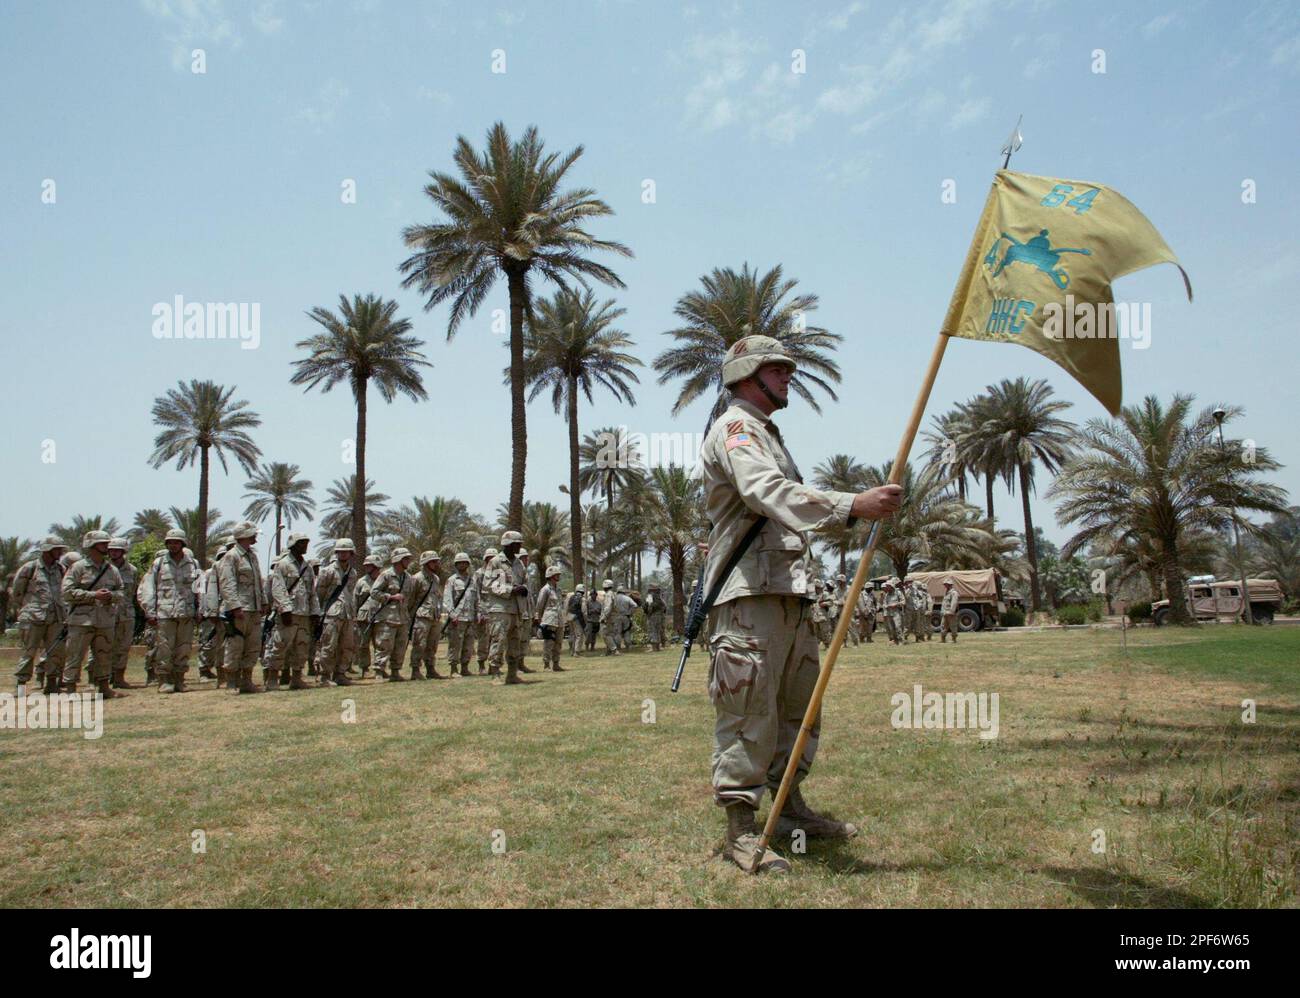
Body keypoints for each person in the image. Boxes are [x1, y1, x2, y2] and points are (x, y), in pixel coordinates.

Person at [698, 334, 902, 873]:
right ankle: (741, 833)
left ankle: (788, 811)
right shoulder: (737, 430)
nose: (789, 375)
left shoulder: (768, 434)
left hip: (787, 593)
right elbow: (764, 490)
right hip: (749, 597)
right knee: (748, 713)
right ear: (746, 374)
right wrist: (850, 504)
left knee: (798, 711)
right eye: (778, 368)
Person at [61, 530, 125, 698]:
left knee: (104, 655)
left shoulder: (112, 570)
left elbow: (122, 593)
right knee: (75, 655)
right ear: (92, 546)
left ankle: (104, 688)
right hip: (82, 621)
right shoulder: (78, 568)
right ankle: (70, 690)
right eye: (102, 543)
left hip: (105, 620)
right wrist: (93, 595)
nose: (106, 546)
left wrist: (111, 596)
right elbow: (67, 592)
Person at [139, 528, 201, 693]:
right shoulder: (159, 563)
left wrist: (200, 609)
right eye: (170, 542)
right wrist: (150, 611)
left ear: (182, 543)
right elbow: (149, 588)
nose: (173, 545)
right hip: (164, 613)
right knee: (165, 648)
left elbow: (199, 588)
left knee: (184, 647)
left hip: (186, 612)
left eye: (176, 542)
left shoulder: (193, 563)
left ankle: (180, 679)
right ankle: (164, 680)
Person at [10, 536, 68, 695]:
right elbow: (17, 593)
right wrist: (29, 608)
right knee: (28, 652)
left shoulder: (61, 569)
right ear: (47, 550)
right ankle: (20, 686)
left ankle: (51, 684)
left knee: (55, 652)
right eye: (57, 549)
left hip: (56, 618)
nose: (60, 552)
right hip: (33, 618)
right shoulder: (30, 568)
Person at [482, 532, 527, 684]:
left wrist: (524, 589)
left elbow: (524, 581)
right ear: (508, 544)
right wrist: (510, 590)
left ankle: (512, 674)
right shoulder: (495, 562)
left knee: (515, 642)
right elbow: (488, 584)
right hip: (500, 609)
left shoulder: (519, 564)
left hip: (516, 609)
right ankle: (495, 674)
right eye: (517, 543)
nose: (520, 546)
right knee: (499, 640)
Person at [365, 548, 414, 683]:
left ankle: (395, 671)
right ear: (398, 560)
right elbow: (374, 592)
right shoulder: (386, 575)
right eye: (406, 559)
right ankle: (379, 671)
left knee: (400, 646)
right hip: (387, 617)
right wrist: (390, 597)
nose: (408, 561)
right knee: (384, 645)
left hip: (402, 618)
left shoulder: (409, 577)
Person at [313, 539, 357, 687]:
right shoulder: (327, 571)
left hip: (348, 614)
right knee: (329, 645)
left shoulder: (353, 573)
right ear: (336, 553)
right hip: (331, 614)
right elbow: (319, 594)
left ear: (351, 553)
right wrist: (319, 613)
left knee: (347, 646)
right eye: (341, 551)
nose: (343, 554)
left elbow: (350, 593)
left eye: (346, 551)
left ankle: (340, 674)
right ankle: (324, 676)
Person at [105, 537, 140, 690]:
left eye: (117, 550)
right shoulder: (103, 568)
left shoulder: (132, 570)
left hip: (126, 614)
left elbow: (135, 592)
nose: (113, 553)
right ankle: (101, 679)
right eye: (111, 550)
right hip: (106, 613)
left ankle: (119, 678)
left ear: (123, 551)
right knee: (103, 647)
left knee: (123, 647)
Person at [408, 551, 444, 679]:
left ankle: (430, 669)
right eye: (433, 561)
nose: (436, 564)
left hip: (434, 616)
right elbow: (410, 599)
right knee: (419, 644)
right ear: (425, 563)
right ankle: (415, 670)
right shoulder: (416, 578)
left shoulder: (436, 578)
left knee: (432, 644)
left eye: (436, 561)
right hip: (421, 616)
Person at [442, 552, 477, 677]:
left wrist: (478, 614)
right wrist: (452, 615)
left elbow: (476, 599)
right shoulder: (452, 580)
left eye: (465, 562)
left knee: (468, 644)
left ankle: (465, 668)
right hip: (458, 618)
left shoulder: (472, 580)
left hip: (470, 617)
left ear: (468, 564)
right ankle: (453, 669)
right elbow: (447, 599)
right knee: (455, 645)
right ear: (456, 565)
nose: (462, 565)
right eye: (460, 563)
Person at [353, 554, 382, 677]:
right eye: (366, 565)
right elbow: (355, 600)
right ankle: (364, 668)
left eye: (369, 565)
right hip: (364, 617)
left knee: (380, 644)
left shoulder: (383, 579)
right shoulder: (361, 581)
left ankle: (379, 668)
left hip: (380, 616)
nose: (367, 568)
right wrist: (354, 617)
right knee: (363, 644)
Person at [534, 565, 566, 672]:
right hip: (549, 620)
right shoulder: (545, 590)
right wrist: (539, 620)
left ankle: (556, 664)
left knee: (558, 643)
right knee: (549, 643)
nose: (558, 576)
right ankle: (546, 665)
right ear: (551, 576)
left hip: (559, 620)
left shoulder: (558, 590)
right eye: (556, 574)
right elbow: (539, 606)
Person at [472, 549, 496, 674]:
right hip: (483, 611)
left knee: (495, 639)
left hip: (496, 611)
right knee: (483, 639)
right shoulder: (479, 574)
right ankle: (481, 664)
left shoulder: (498, 574)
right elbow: (476, 594)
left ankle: (493, 665)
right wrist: (479, 612)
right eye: (489, 558)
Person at [643, 583, 667, 651]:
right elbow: (664, 607)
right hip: (659, 616)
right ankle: (658, 647)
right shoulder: (659, 597)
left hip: (653, 615)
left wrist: (648, 613)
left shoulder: (650, 596)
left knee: (652, 630)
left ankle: (654, 648)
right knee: (657, 631)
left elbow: (649, 606)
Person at [566, 583, 586, 655]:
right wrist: (585, 620)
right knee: (579, 634)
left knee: (572, 634)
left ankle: (572, 651)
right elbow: (584, 611)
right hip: (576, 618)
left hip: (569, 617)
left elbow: (567, 607)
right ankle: (577, 652)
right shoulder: (582, 599)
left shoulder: (571, 597)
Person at [883, 580, 905, 645]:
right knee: (892, 628)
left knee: (898, 627)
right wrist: (886, 606)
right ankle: (895, 641)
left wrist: (896, 604)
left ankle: (901, 641)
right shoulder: (887, 594)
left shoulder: (898, 593)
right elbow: (884, 603)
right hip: (889, 613)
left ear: (891, 586)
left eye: (888, 586)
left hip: (896, 613)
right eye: (886, 586)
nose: (886, 587)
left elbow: (903, 602)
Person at [940, 578, 960, 643]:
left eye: (946, 584)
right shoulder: (946, 592)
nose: (945, 586)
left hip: (950, 613)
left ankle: (954, 639)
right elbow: (944, 603)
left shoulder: (954, 593)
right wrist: (942, 611)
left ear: (950, 585)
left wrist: (951, 611)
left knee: (953, 626)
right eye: (945, 584)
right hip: (945, 612)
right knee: (943, 626)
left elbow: (954, 603)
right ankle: (943, 639)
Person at [584, 587, 601, 652]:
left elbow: (600, 612)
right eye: (592, 594)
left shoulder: (598, 603)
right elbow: (585, 611)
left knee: (594, 635)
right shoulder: (587, 602)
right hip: (590, 621)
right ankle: (586, 647)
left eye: (594, 594)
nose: (593, 595)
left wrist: (597, 611)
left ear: (596, 595)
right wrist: (591, 611)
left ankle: (592, 647)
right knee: (588, 635)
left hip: (596, 621)